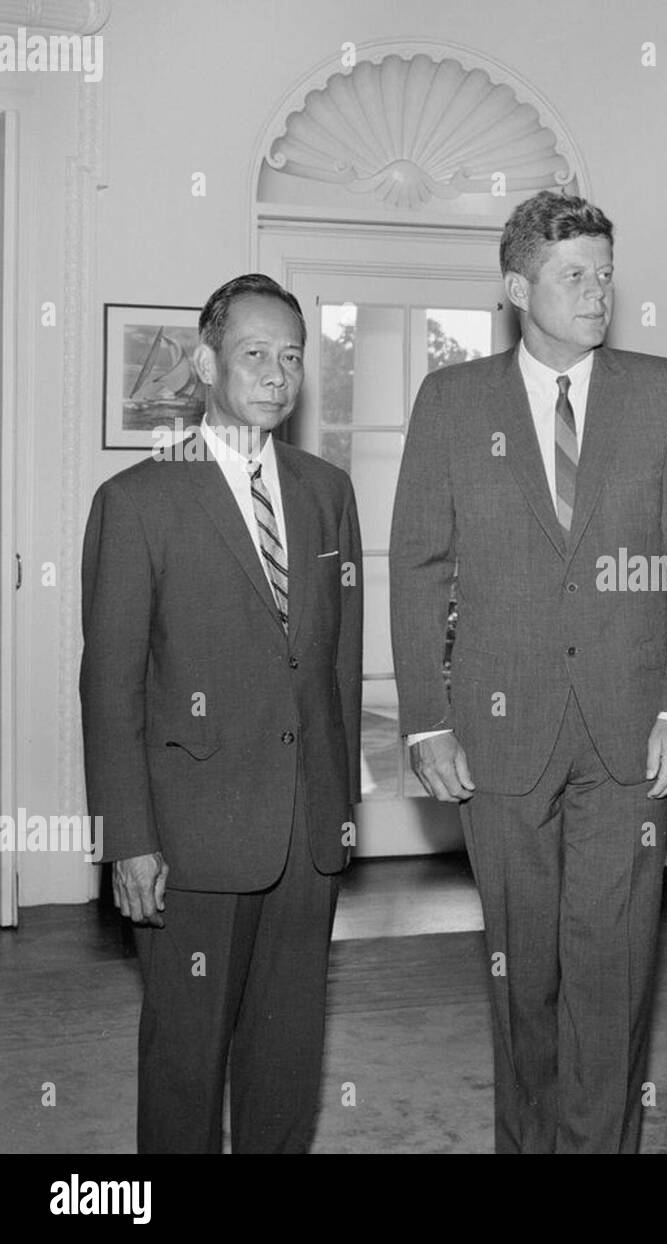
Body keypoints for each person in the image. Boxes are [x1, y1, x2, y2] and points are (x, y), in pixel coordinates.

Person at [390, 190, 667, 1153]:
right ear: (515, 287)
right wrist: (425, 720)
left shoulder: (664, 390)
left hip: (630, 735)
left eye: (606, 273)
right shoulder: (453, 402)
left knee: (610, 969)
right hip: (499, 735)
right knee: (517, 967)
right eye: (574, 275)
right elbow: (416, 566)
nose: (598, 291)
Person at [80, 273, 363, 1153]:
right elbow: (110, 684)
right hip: (190, 840)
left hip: (304, 833)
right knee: (185, 1061)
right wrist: (127, 837)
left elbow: (338, 668)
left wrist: (340, 812)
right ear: (206, 364)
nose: (277, 375)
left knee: (285, 1059)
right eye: (254, 354)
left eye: (291, 356)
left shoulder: (326, 493)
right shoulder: (138, 501)